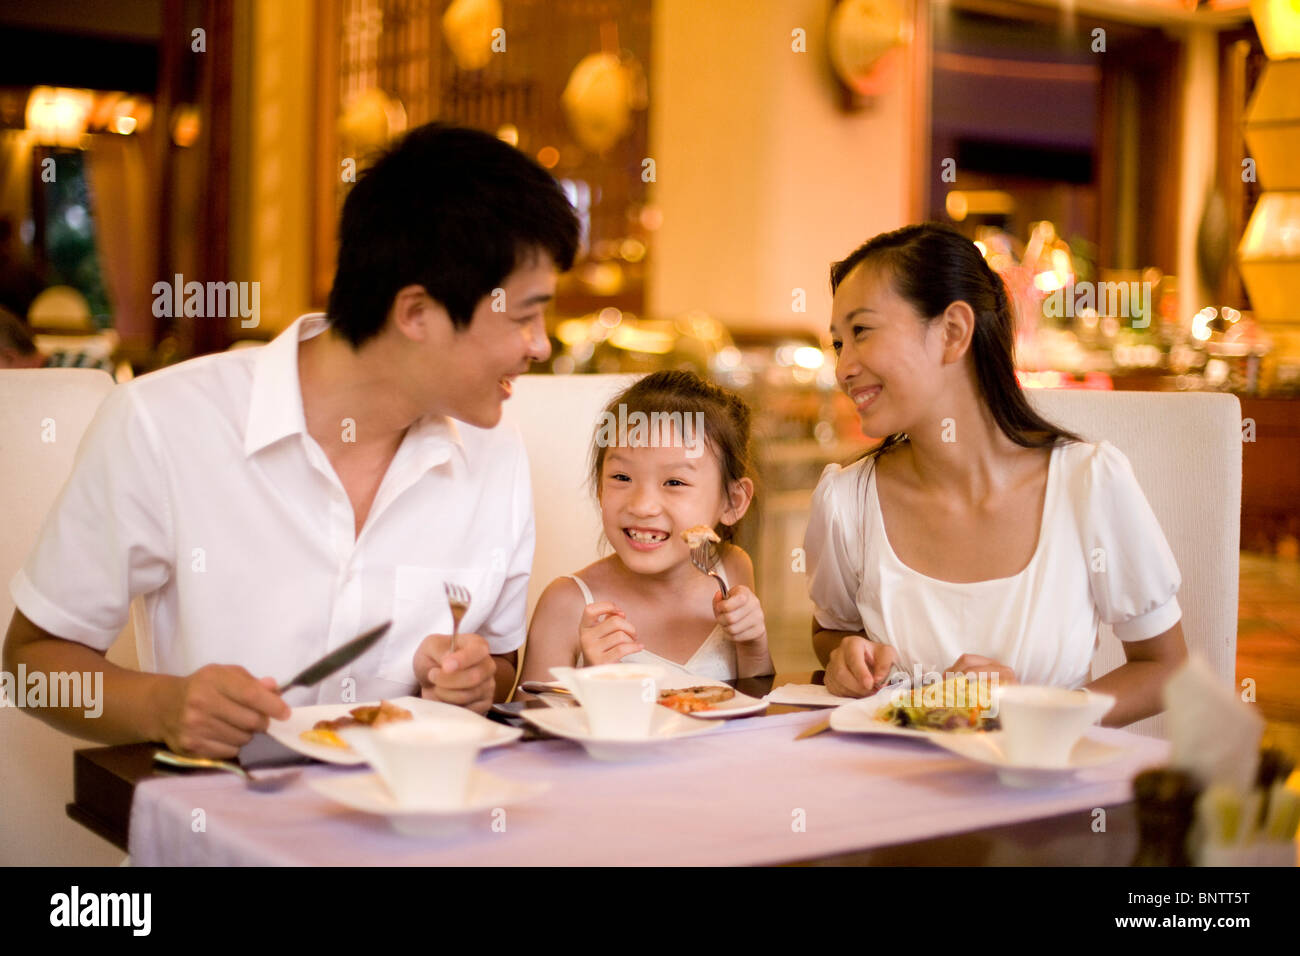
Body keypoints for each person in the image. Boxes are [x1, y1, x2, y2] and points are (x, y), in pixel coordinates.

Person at [4, 123, 580, 757]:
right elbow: (31, 668)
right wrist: (161, 705)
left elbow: (500, 664)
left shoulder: (493, 449)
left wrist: (475, 682)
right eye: (525, 315)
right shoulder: (164, 423)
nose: (541, 345)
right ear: (416, 313)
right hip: (225, 831)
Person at [806, 223, 1186, 726]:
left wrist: (1033, 713)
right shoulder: (846, 501)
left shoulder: (1088, 483)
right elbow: (831, 631)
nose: (843, 368)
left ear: (953, 332)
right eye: (837, 344)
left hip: (1042, 791)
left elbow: (1167, 668)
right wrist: (844, 658)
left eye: (861, 332)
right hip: (892, 784)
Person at [522, 370, 772, 683]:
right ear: (600, 487)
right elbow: (529, 725)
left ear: (733, 501)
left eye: (675, 482)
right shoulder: (567, 603)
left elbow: (757, 708)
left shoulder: (731, 570)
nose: (641, 506)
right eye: (622, 478)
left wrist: (754, 644)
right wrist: (589, 683)